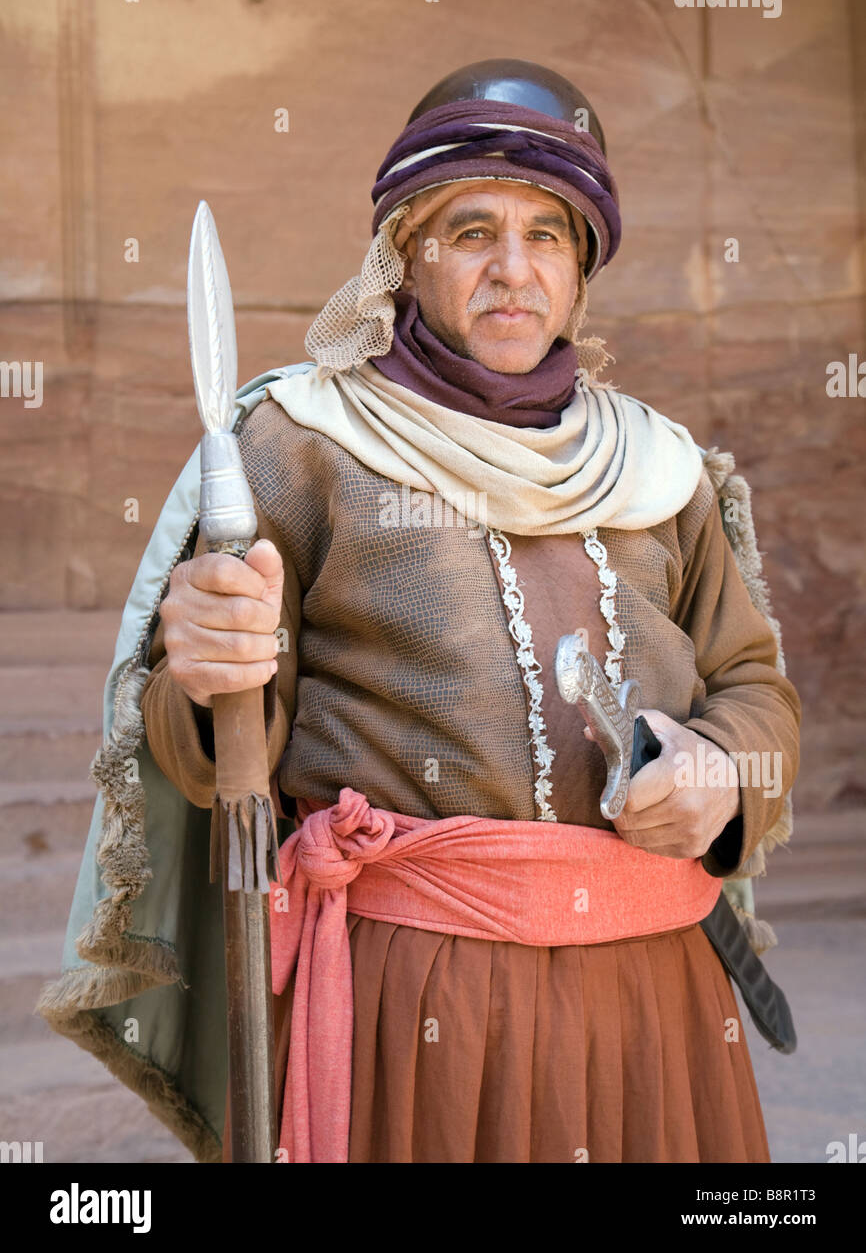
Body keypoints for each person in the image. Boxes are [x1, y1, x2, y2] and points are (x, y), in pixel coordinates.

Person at [43, 59, 801, 1164]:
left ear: (581, 269)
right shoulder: (301, 447)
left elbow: (754, 689)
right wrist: (202, 675)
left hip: (655, 992)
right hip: (418, 1004)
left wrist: (721, 773)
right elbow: (207, 753)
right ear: (404, 253)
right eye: (469, 230)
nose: (511, 269)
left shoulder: (658, 466)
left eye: (547, 234)